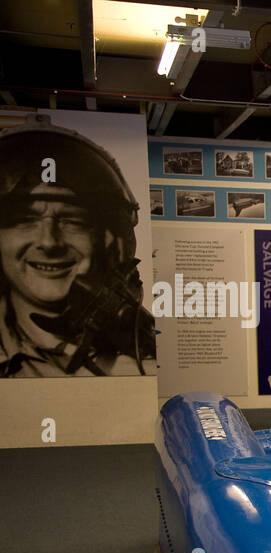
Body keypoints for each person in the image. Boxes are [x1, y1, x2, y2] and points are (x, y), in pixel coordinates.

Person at [0, 115, 155, 376]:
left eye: (73, 221)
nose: (49, 242)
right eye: (24, 220)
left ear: (108, 239)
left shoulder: (141, 360)